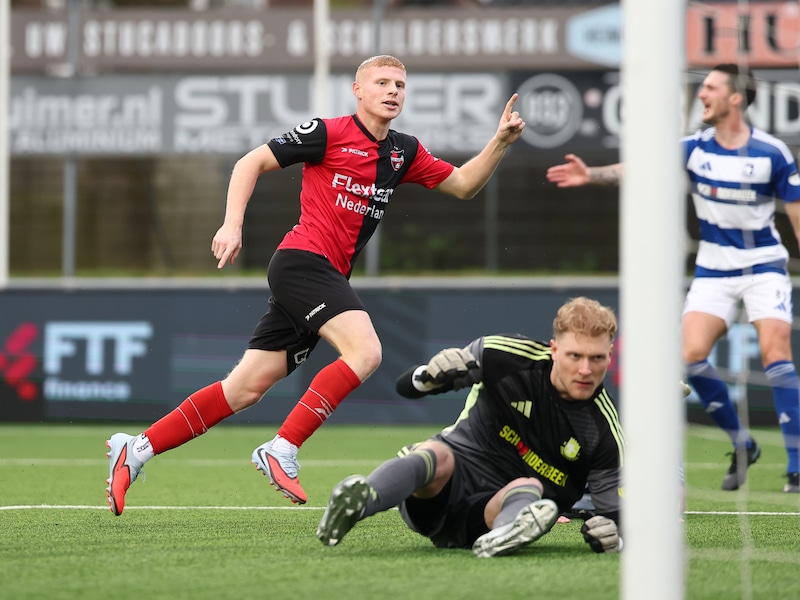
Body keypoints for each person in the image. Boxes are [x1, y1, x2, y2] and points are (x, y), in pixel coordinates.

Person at [104, 55, 526, 515]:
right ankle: (282, 447)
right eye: (381, 82)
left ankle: (137, 448)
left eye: (400, 84)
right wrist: (231, 225)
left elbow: (464, 185)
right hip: (302, 263)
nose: (392, 91)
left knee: (243, 390)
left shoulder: (404, 150)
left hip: (323, 276)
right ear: (357, 90)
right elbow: (250, 162)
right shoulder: (327, 132)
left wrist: (500, 141)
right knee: (366, 352)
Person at [545, 64, 800, 493]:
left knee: (776, 349)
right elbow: (638, 167)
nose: (702, 95)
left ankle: (796, 465)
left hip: (763, 266)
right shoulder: (695, 148)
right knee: (690, 354)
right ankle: (742, 442)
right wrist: (594, 175)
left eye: (711, 88)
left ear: (735, 98)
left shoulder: (772, 153)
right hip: (714, 268)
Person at [316, 296, 625, 557]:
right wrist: (429, 375)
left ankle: (502, 537)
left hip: (493, 514)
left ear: (610, 356)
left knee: (528, 487)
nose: (585, 369)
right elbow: (407, 388)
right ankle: (358, 504)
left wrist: (613, 535)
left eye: (596, 358)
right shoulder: (502, 356)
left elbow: (614, 516)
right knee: (437, 453)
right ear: (554, 348)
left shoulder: (604, 430)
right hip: (438, 496)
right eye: (575, 356)